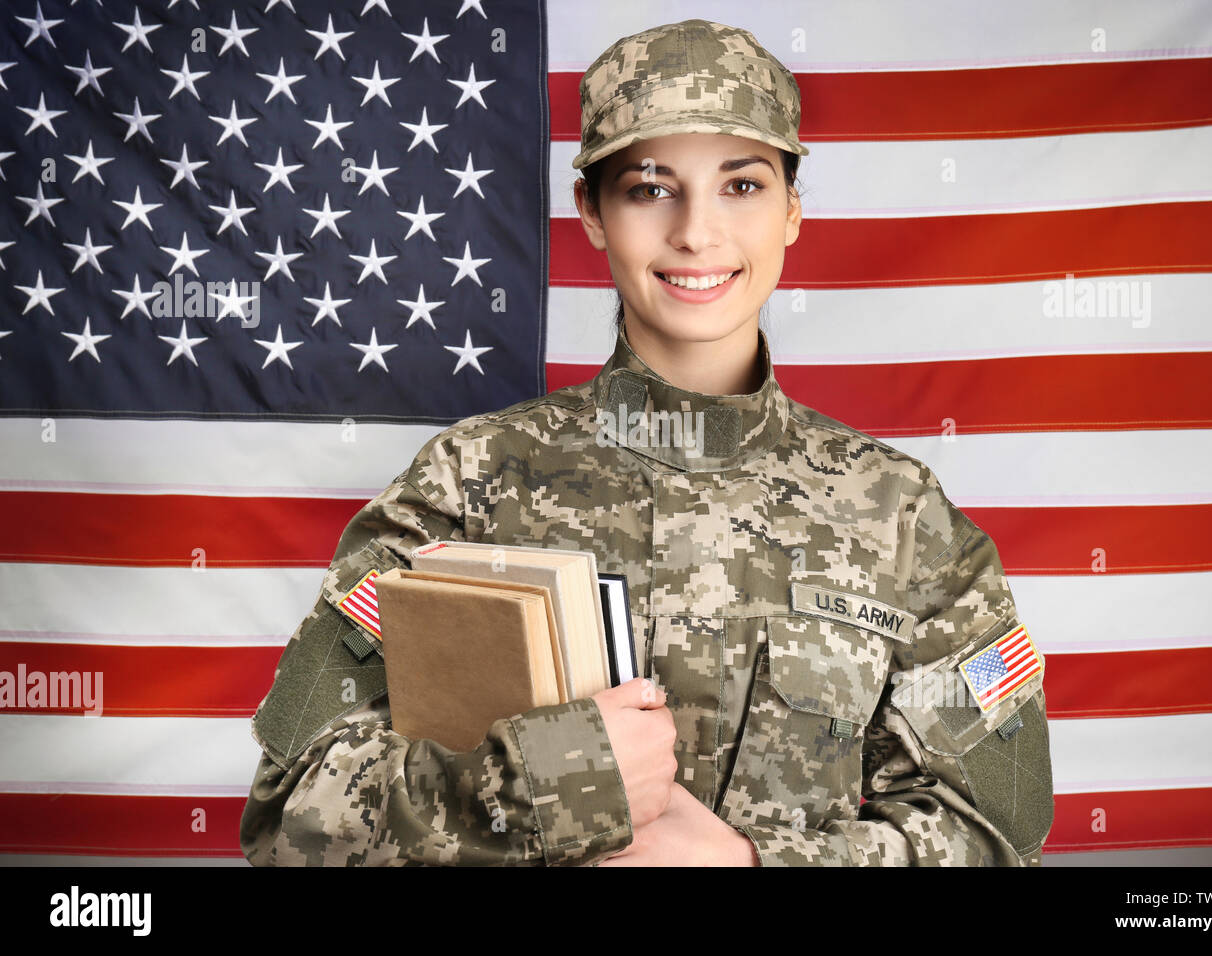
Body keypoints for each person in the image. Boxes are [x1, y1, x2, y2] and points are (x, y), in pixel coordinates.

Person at [239, 18, 1054, 867]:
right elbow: (290, 813)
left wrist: (749, 863)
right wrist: (551, 782)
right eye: (650, 188)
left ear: (793, 212)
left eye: (742, 187)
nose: (697, 233)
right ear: (591, 210)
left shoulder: (903, 515)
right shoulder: (464, 483)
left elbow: (1001, 826)